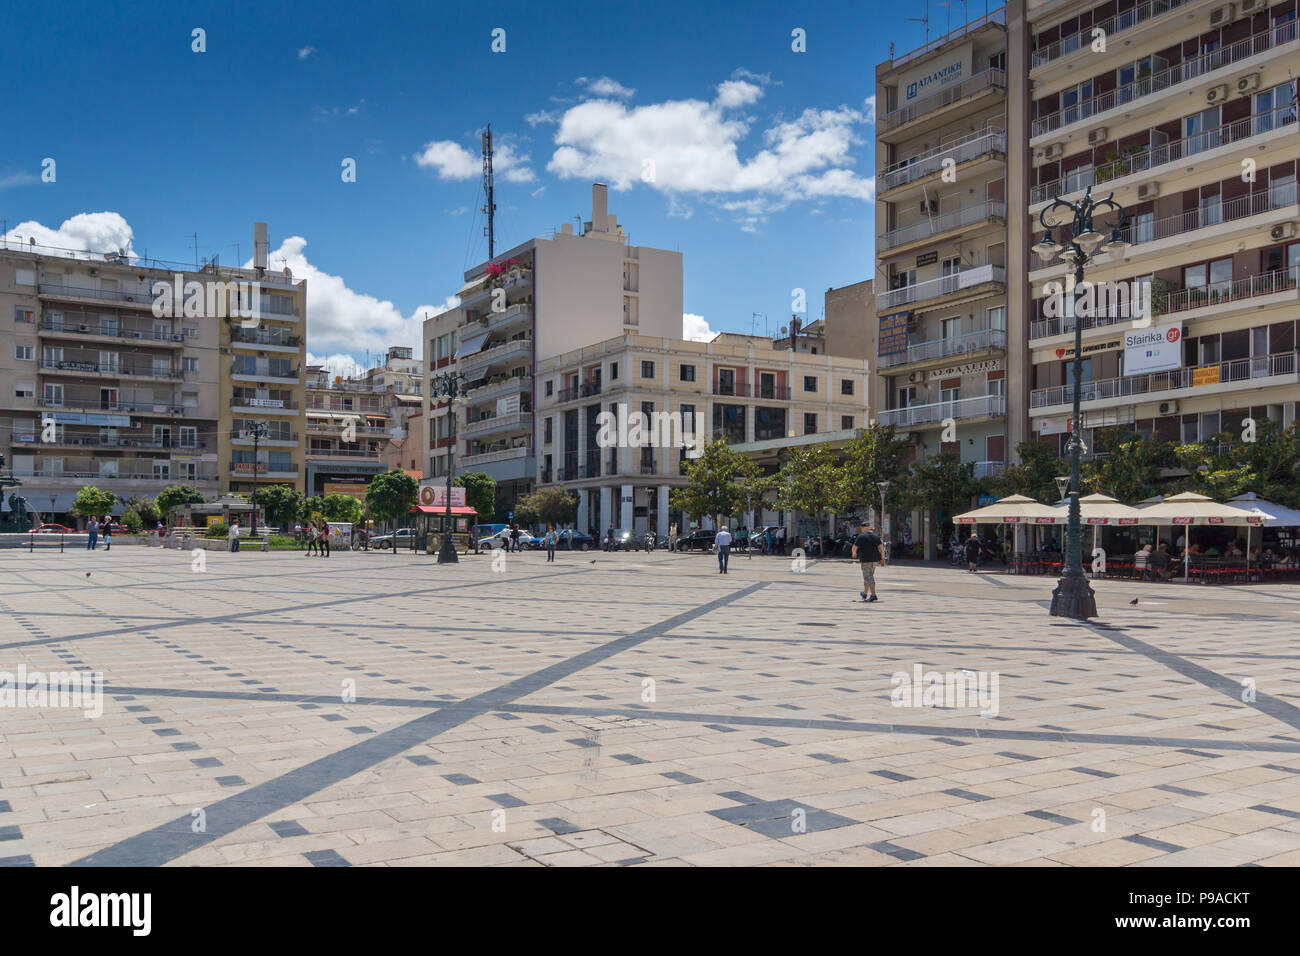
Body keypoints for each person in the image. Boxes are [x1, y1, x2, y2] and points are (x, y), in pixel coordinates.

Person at [852, 521, 884, 603]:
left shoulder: (861, 536)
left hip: (866, 560)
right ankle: (864, 593)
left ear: (862, 528)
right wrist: (883, 559)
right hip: (875, 560)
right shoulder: (876, 536)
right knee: (869, 577)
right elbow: (881, 548)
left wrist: (854, 553)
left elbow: (854, 547)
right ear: (869, 527)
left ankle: (873, 595)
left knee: (869, 577)